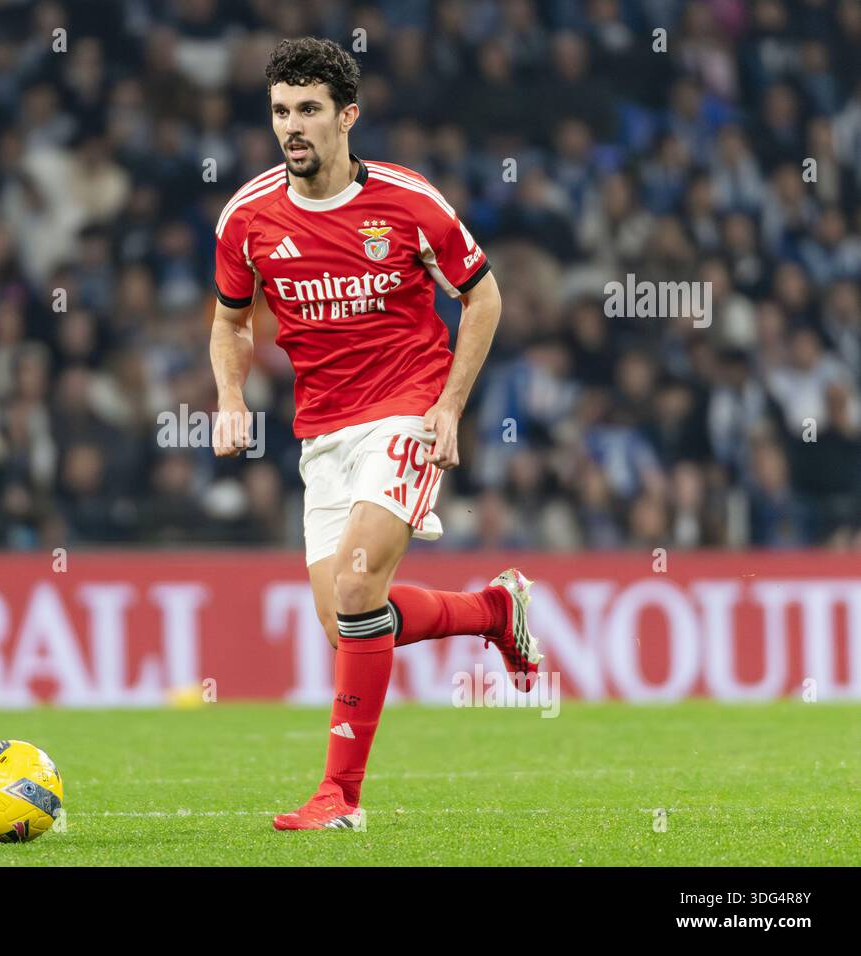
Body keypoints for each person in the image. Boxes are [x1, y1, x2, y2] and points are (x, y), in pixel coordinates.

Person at [208, 38, 542, 831]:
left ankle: (340, 798)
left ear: (347, 116)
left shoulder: (408, 202)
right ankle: (495, 610)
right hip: (321, 431)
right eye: (282, 111)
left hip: (406, 407)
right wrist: (228, 395)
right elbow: (227, 322)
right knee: (347, 621)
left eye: (310, 111)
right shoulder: (248, 216)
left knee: (359, 592)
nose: (293, 127)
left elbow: (484, 297)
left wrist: (449, 407)